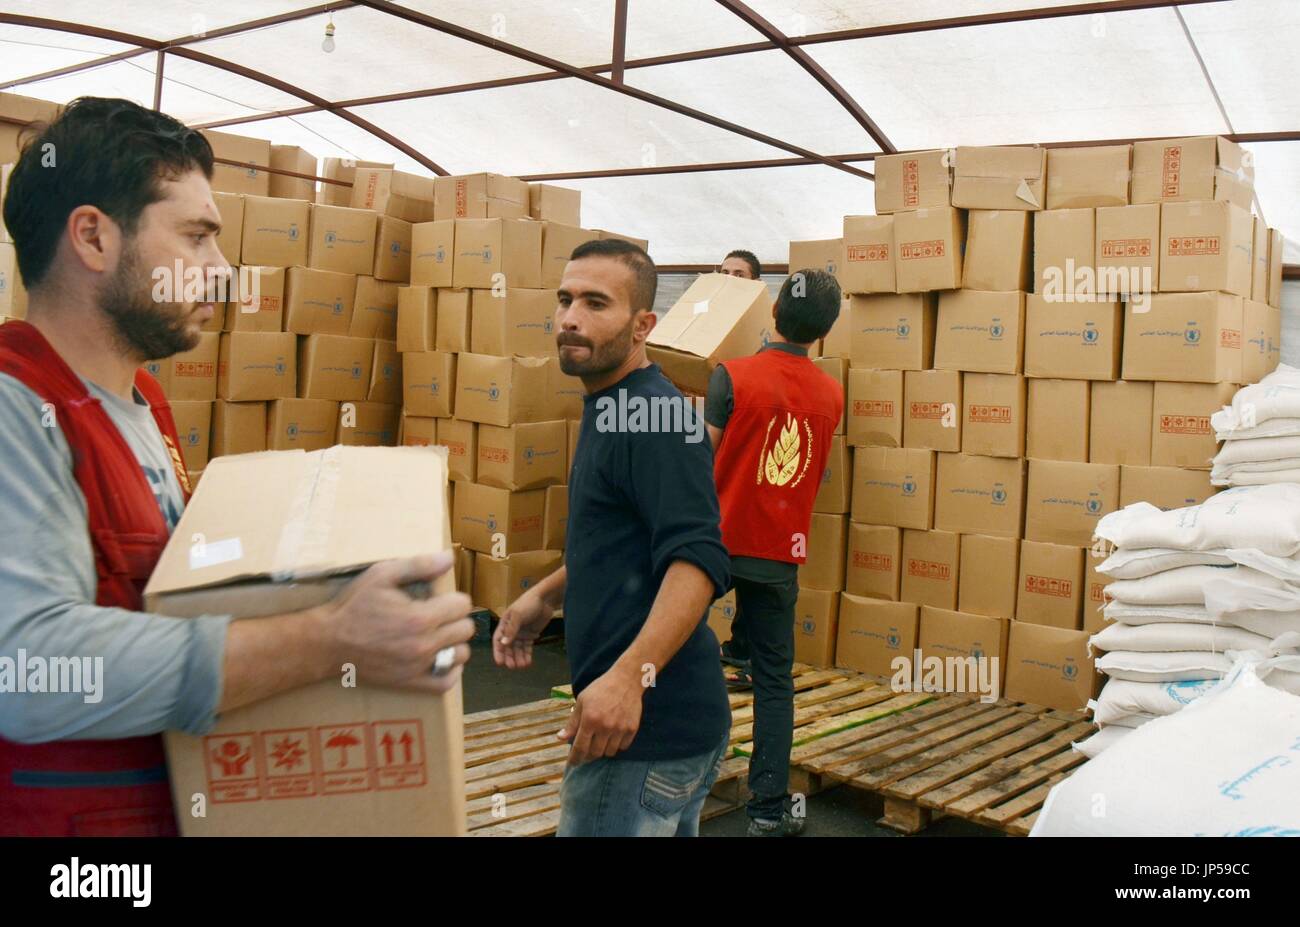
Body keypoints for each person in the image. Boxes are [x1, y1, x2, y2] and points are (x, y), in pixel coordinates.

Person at [0, 97, 475, 837]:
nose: (222, 272)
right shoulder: (14, 412)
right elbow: (29, 668)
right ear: (93, 237)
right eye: (196, 238)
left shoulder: (143, 405)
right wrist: (330, 637)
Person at [493, 238, 732, 837]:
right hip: (663, 732)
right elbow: (631, 537)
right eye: (565, 300)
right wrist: (548, 592)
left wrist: (629, 681)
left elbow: (697, 560)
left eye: (597, 303)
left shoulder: (655, 418)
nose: (571, 318)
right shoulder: (613, 405)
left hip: (642, 736)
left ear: (642, 325)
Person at [704, 268, 844, 837]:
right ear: (824, 331)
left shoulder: (729, 377)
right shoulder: (831, 393)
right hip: (778, 553)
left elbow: (699, 461)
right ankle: (767, 809)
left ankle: (679, 778)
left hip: (714, 544)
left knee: (678, 659)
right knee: (773, 681)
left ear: (775, 311)